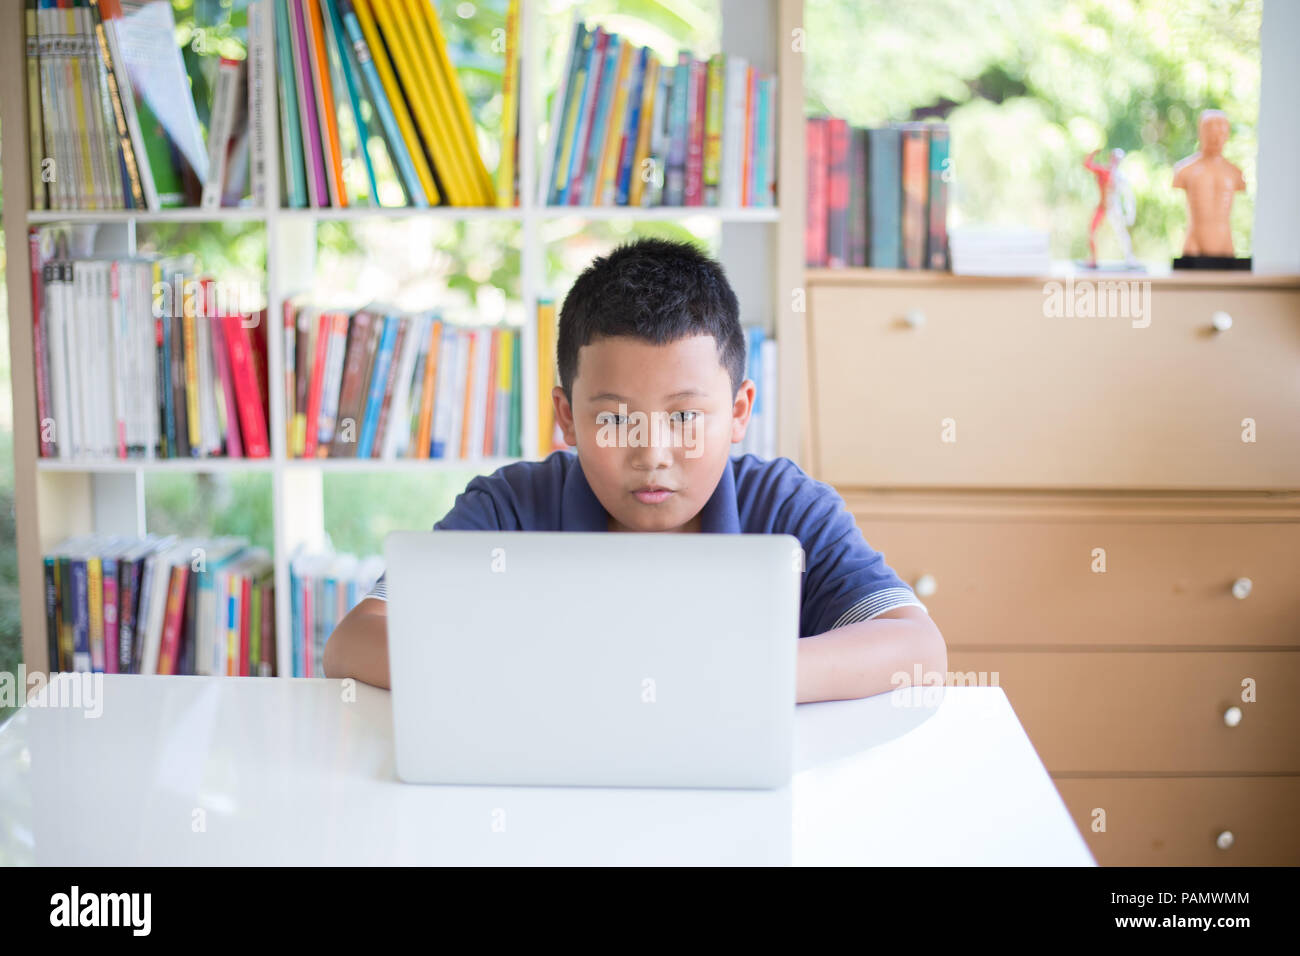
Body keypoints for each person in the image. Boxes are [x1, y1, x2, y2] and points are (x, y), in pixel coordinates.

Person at [324, 237, 947, 702]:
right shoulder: (510, 507)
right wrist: (549, 673)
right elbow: (355, 640)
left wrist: (731, 675)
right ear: (566, 418)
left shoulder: (787, 508)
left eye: (684, 418)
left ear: (737, 413)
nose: (653, 452)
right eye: (616, 419)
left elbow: (916, 648)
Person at [1173, 109, 1246, 258]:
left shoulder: (1235, 173)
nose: (1215, 138)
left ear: (1227, 135)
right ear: (1201, 133)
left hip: (1225, 242)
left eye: (1220, 133)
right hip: (1194, 243)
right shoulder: (1185, 170)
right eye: (1210, 132)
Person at [1084, 147, 1138, 267]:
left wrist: (1130, 213)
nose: (1114, 161)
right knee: (1092, 231)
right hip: (1103, 207)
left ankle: (1130, 257)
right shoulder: (1104, 172)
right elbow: (1087, 164)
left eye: (1117, 159)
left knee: (1121, 232)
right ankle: (1093, 258)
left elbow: (1128, 196)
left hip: (1114, 208)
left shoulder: (1120, 177)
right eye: (1113, 158)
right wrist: (1093, 153)